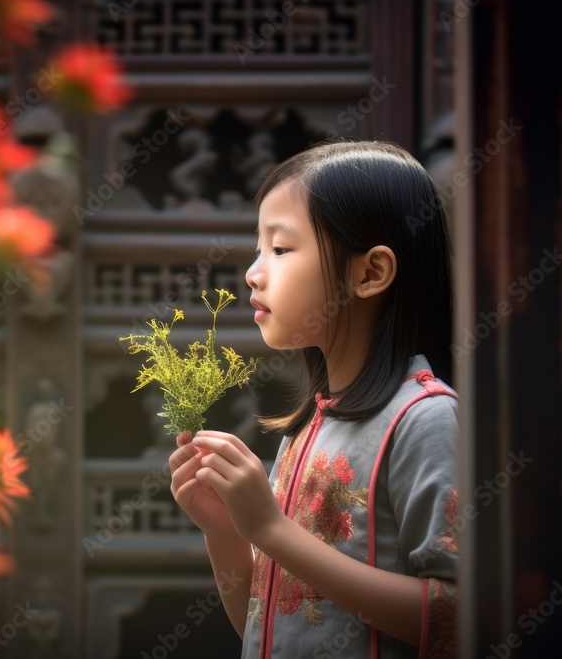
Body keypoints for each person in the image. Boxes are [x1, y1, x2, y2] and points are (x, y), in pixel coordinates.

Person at [170, 140, 458, 658]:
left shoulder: (426, 420)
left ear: (369, 273)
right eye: (260, 249)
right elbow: (263, 632)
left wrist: (270, 529)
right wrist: (226, 531)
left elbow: (461, 619)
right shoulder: (308, 427)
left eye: (279, 249)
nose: (253, 272)